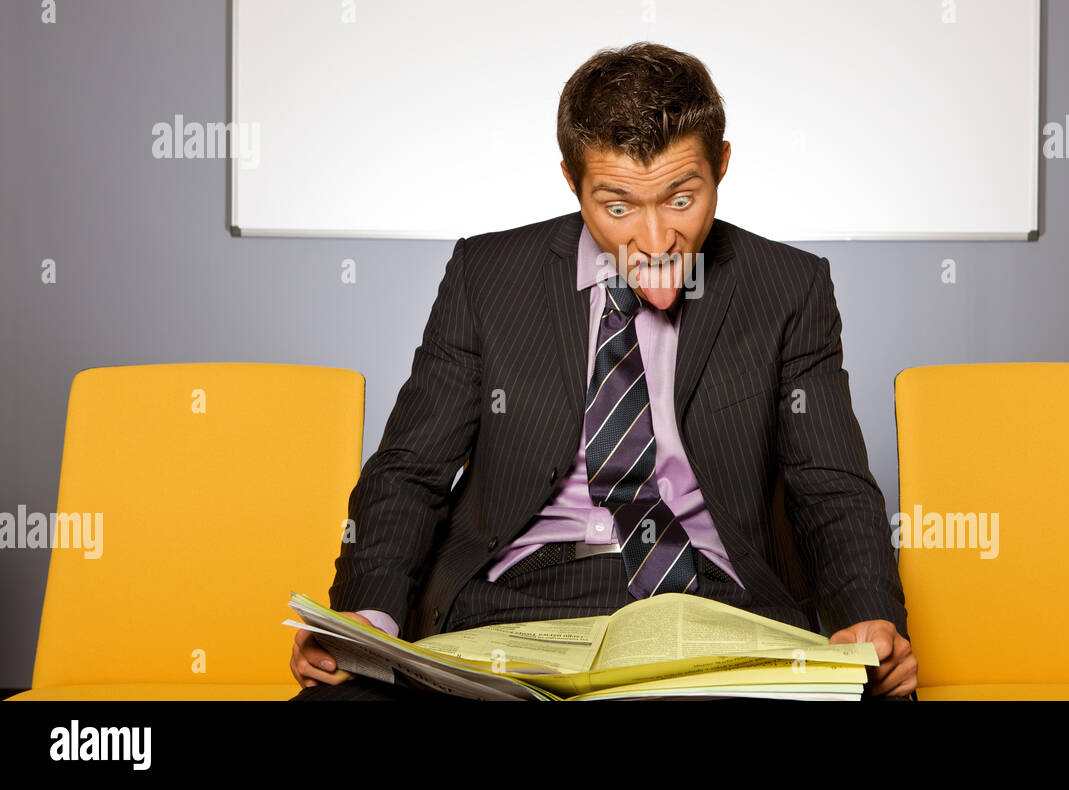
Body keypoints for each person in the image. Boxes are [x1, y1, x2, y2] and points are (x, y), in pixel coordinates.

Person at [290, 42, 918, 701]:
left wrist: (865, 614)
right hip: (514, 601)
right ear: (572, 180)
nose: (653, 241)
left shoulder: (787, 287)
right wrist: (367, 616)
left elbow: (831, 485)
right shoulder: (488, 277)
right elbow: (410, 470)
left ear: (721, 166)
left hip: (715, 606)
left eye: (681, 199)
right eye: (617, 207)